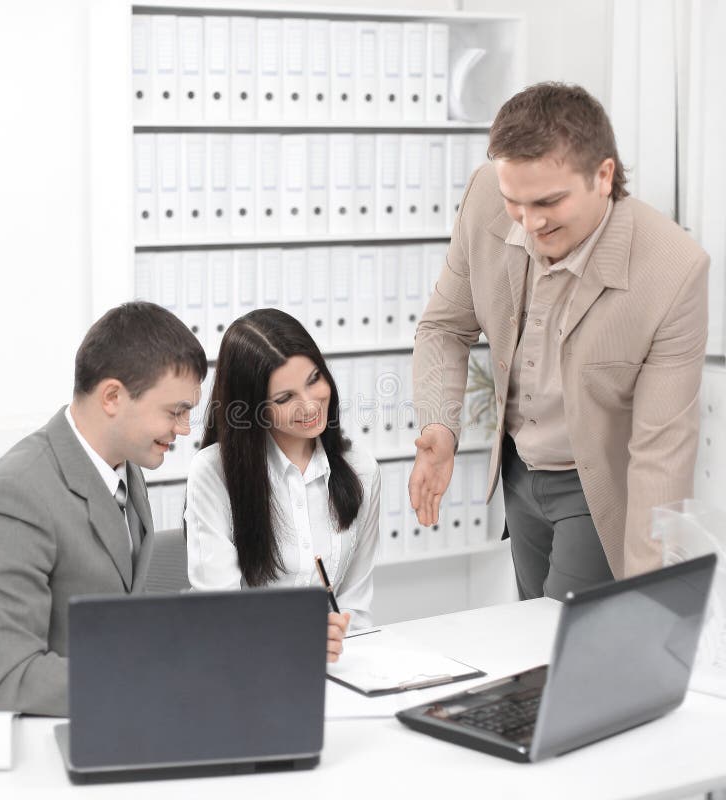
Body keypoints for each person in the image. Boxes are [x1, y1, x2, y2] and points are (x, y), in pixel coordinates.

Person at [409, 82, 708, 600]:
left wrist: (648, 597)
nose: (532, 221)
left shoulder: (672, 269)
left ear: (603, 176)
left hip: (594, 487)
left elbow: (661, 452)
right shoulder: (486, 197)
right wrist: (440, 425)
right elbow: (444, 327)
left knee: (569, 643)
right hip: (518, 472)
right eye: (515, 202)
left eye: (549, 201)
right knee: (531, 642)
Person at [0, 302, 206, 715]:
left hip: (79, 705)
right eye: (175, 412)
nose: (184, 429)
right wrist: (149, 681)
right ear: (112, 396)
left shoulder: (125, 463)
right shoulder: (13, 496)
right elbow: (12, 678)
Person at [184, 309, 380, 661]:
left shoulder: (360, 468)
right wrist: (295, 640)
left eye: (314, 378)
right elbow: (221, 616)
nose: (310, 404)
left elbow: (356, 609)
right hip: (251, 669)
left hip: (343, 671)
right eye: (284, 398)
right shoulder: (213, 473)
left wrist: (340, 653)